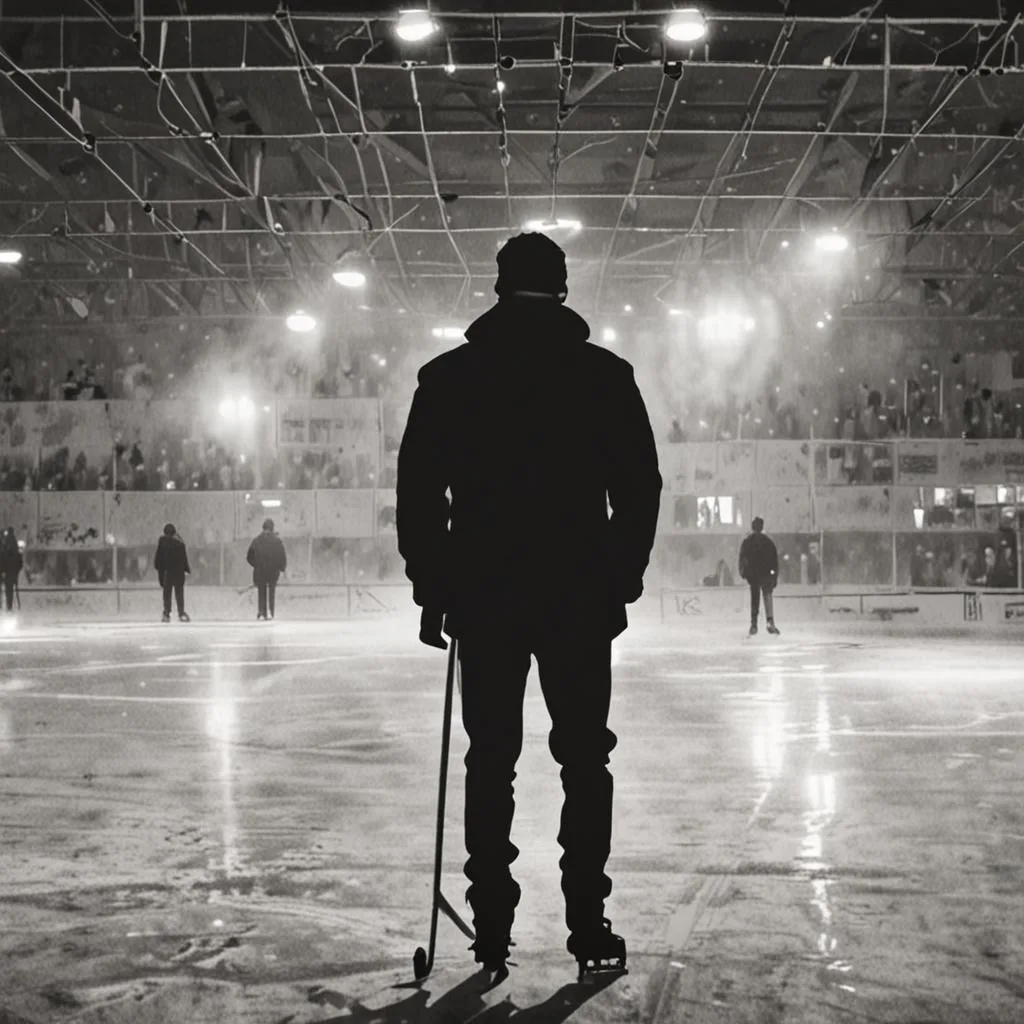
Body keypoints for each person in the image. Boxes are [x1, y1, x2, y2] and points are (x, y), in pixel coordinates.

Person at [396, 232, 662, 979]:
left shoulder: (449, 378)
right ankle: (587, 921)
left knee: (491, 760)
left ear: (498, 286)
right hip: (578, 596)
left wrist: (433, 586)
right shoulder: (605, 377)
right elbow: (639, 488)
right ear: (564, 286)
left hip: (486, 596)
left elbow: (419, 494)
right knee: (585, 759)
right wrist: (619, 578)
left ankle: (491, 927)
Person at [739, 516, 780, 636]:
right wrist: (774, 575)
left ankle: (754, 624)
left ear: (753, 527)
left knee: (755, 598)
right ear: (762, 527)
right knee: (767, 595)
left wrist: (744, 572)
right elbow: (774, 561)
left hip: (753, 574)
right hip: (766, 573)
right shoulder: (768, 542)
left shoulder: (747, 542)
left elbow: (743, 559)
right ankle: (770, 621)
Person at [246, 518, 287, 620]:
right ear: (272, 528)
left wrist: (256, 564)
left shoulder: (256, 541)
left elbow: (249, 557)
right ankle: (270, 611)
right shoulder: (277, 541)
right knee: (271, 591)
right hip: (273, 572)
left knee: (261, 591)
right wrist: (281, 567)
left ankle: (261, 611)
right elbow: (282, 556)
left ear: (263, 528)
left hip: (260, 571)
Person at [153, 523, 190, 622]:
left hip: (167, 572)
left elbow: (158, 559)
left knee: (167, 594)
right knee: (179, 593)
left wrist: (159, 569)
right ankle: (181, 613)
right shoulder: (180, 543)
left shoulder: (162, 543)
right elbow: (184, 559)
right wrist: (186, 570)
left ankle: (167, 613)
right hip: (178, 572)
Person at [0, 527, 22, 611]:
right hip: (12, 571)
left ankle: (4, 605)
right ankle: (9, 605)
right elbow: (19, 560)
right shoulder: (14, 543)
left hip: (6, 569)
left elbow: (3, 558)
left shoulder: (6, 543)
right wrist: (16, 571)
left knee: (7, 588)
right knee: (10, 589)